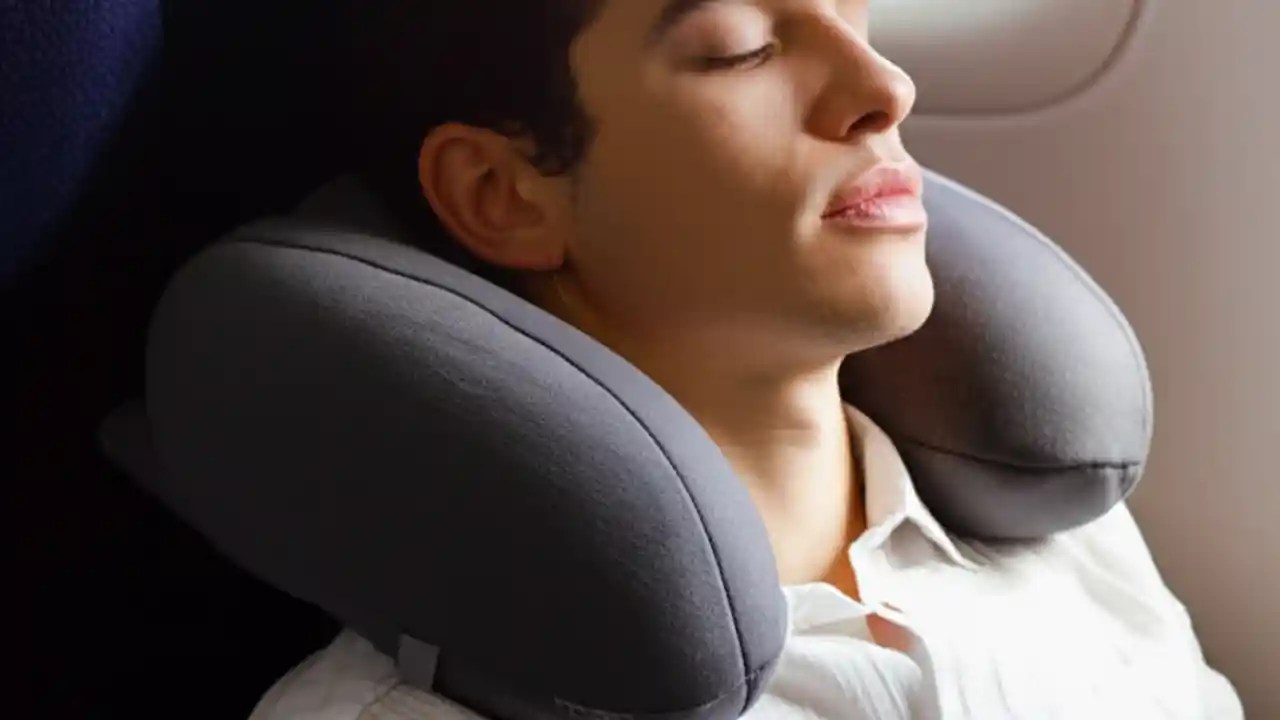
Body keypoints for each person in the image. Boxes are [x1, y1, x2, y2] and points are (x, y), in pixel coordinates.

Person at [251, 0, 1243, 717]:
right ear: (504, 193)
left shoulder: (1067, 548)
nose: (882, 88)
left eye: (852, 13)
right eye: (743, 48)